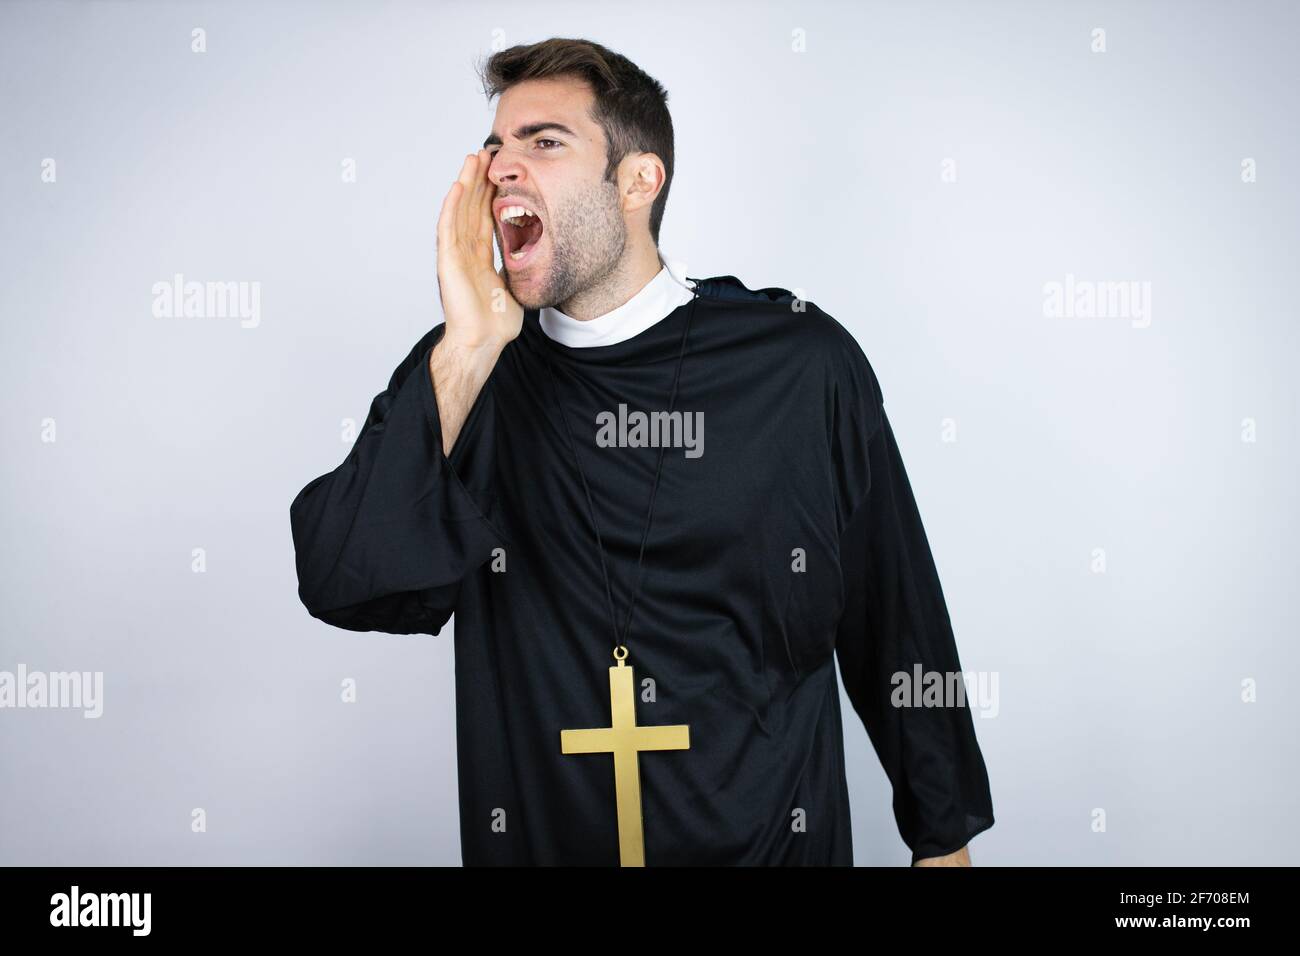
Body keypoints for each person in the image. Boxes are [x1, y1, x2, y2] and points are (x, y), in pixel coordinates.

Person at [290, 36, 994, 866]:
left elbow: (893, 608)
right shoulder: (466, 373)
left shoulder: (799, 365)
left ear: (636, 180)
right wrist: (467, 351)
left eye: (543, 142)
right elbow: (343, 579)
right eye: (494, 148)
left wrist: (942, 841)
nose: (500, 169)